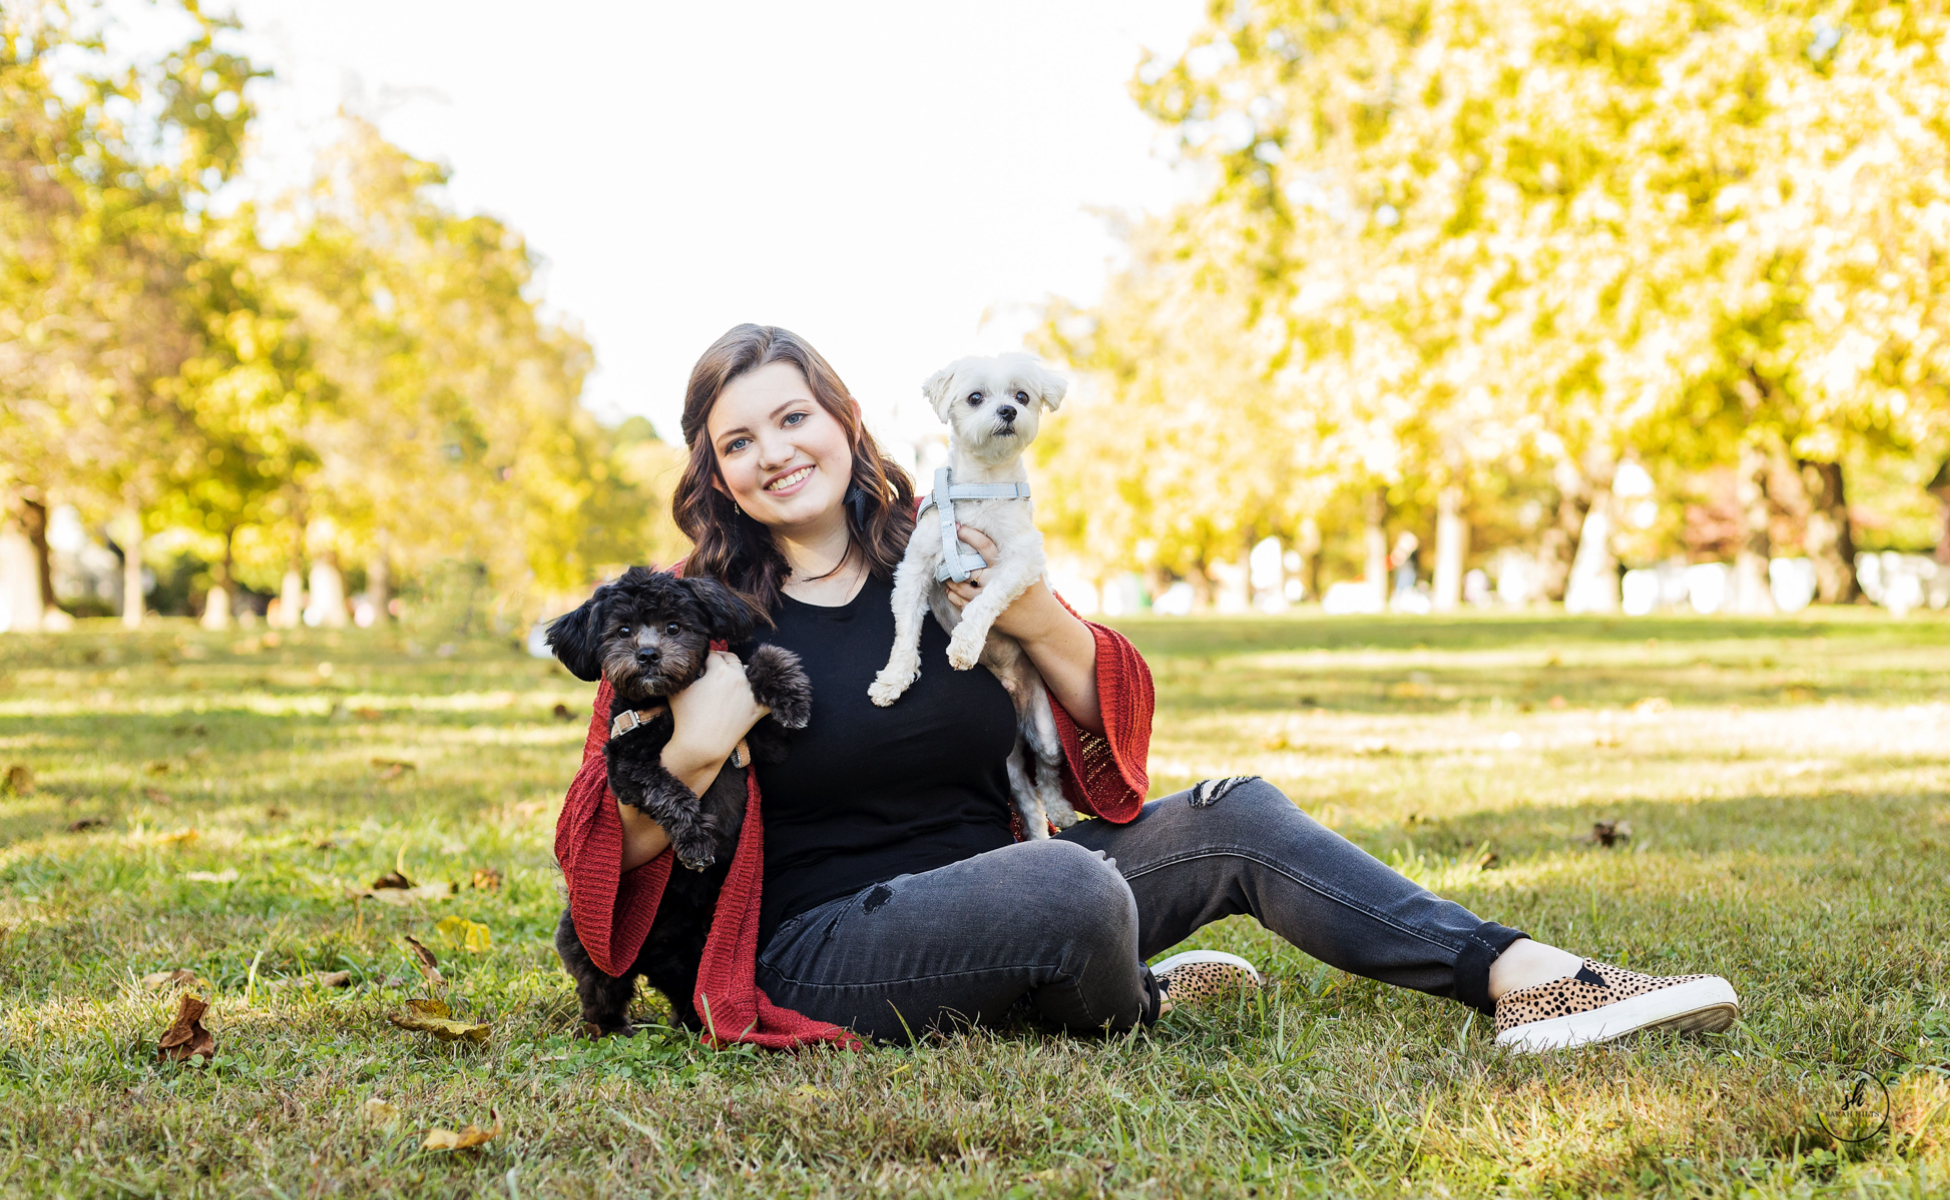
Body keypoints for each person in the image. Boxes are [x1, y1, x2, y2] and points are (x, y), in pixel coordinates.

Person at [555, 323, 1739, 1053]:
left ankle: (1525, 980)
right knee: (1067, 893)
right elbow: (602, 861)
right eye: (737, 440)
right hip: (823, 943)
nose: (774, 454)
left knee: (1240, 817)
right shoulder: (692, 615)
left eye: (792, 417)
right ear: (712, 471)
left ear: (843, 419)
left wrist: (1033, 614)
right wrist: (695, 752)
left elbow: (1104, 714)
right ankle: (1124, 993)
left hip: (1020, 861)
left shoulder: (952, 545)